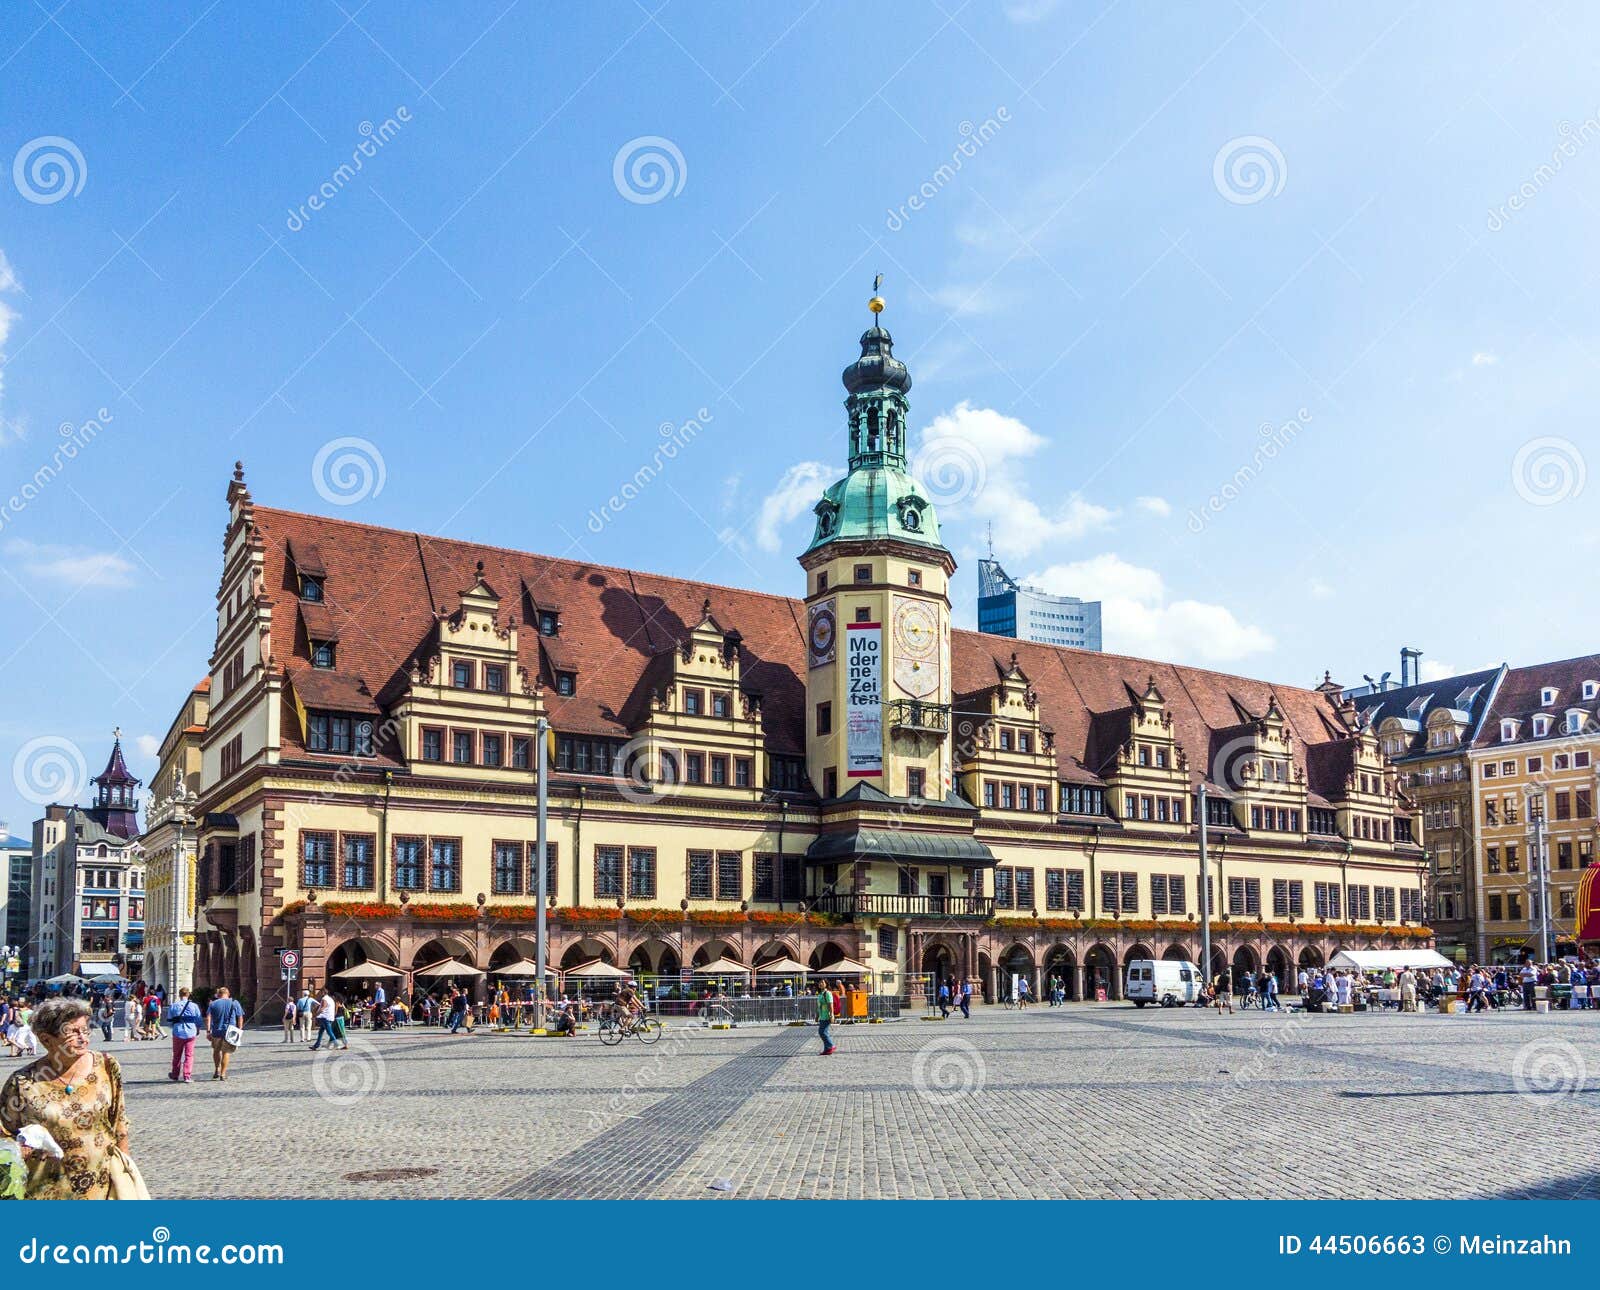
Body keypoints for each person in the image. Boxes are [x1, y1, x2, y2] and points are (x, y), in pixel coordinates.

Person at [0, 998, 134, 1198]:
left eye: (85, 1030)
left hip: (100, 1188)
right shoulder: (23, 1083)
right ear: (46, 1040)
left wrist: (127, 1171)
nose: (83, 1038)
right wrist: (21, 1147)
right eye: (72, 1032)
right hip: (44, 1192)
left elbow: (119, 1123)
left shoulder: (106, 1066)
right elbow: (4, 1133)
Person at [205, 986, 244, 1081]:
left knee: (216, 1051)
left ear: (219, 995)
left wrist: (208, 1031)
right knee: (226, 1052)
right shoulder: (234, 1002)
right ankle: (223, 1073)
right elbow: (240, 1017)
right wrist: (240, 1029)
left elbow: (208, 1017)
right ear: (228, 993)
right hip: (230, 1031)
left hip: (216, 1031)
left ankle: (216, 1069)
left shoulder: (213, 1004)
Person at [166, 988, 203, 1083]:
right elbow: (199, 1020)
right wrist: (198, 1029)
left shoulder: (174, 1005)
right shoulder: (194, 1006)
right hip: (191, 1032)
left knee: (177, 1055)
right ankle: (187, 1076)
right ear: (189, 994)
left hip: (178, 1031)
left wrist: (174, 1027)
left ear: (179, 994)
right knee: (189, 1055)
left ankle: (175, 1074)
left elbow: (170, 1020)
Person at [816, 980, 836, 1055]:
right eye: (819, 982)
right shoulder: (820, 994)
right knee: (824, 1032)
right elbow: (819, 1006)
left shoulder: (827, 993)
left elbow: (830, 1005)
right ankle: (827, 1049)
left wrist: (832, 1015)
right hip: (822, 1016)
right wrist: (817, 1015)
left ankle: (830, 1045)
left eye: (822, 982)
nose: (820, 984)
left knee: (822, 1032)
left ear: (826, 984)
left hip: (826, 1016)